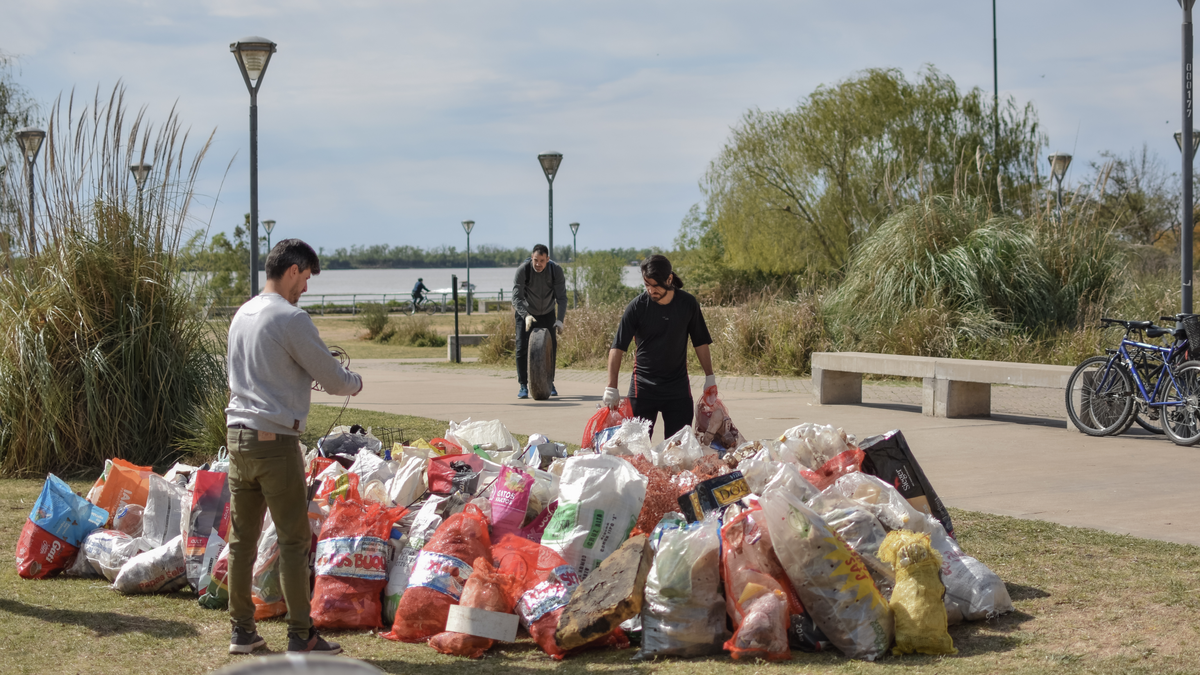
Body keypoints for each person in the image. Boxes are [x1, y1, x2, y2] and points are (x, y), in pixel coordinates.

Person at [224, 239, 363, 656]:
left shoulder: (242, 313)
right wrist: (354, 383)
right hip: (274, 440)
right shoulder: (291, 318)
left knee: (241, 539)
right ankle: (301, 635)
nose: (305, 288)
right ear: (293, 270)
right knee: (293, 539)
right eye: (305, 278)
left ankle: (241, 632)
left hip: (238, 438)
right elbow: (334, 377)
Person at [602, 254, 715, 439]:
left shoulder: (687, 304)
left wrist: (710, 376)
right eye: (646, 284)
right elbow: (617, 348)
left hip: (677, 389)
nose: (650, 290)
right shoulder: (637, 307)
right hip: (643, 390)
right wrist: (611, 387)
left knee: (679, 450)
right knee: (636, 449)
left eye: (655, 285)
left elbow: (700, 342)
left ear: (669, 279)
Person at [512, 243, 567, 399]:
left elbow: (562, 298)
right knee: (521, 347)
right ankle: (523, 384)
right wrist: (525, 315)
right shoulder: (523, 270)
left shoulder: (555, 271)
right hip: (527, 312)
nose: (538, 264)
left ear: (547, 259)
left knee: (550, 348)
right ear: (532, 257)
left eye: (541, 261)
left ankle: (550, 382)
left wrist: (560, 320)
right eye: (535, 260)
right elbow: (516, 298)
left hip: (547, 312)